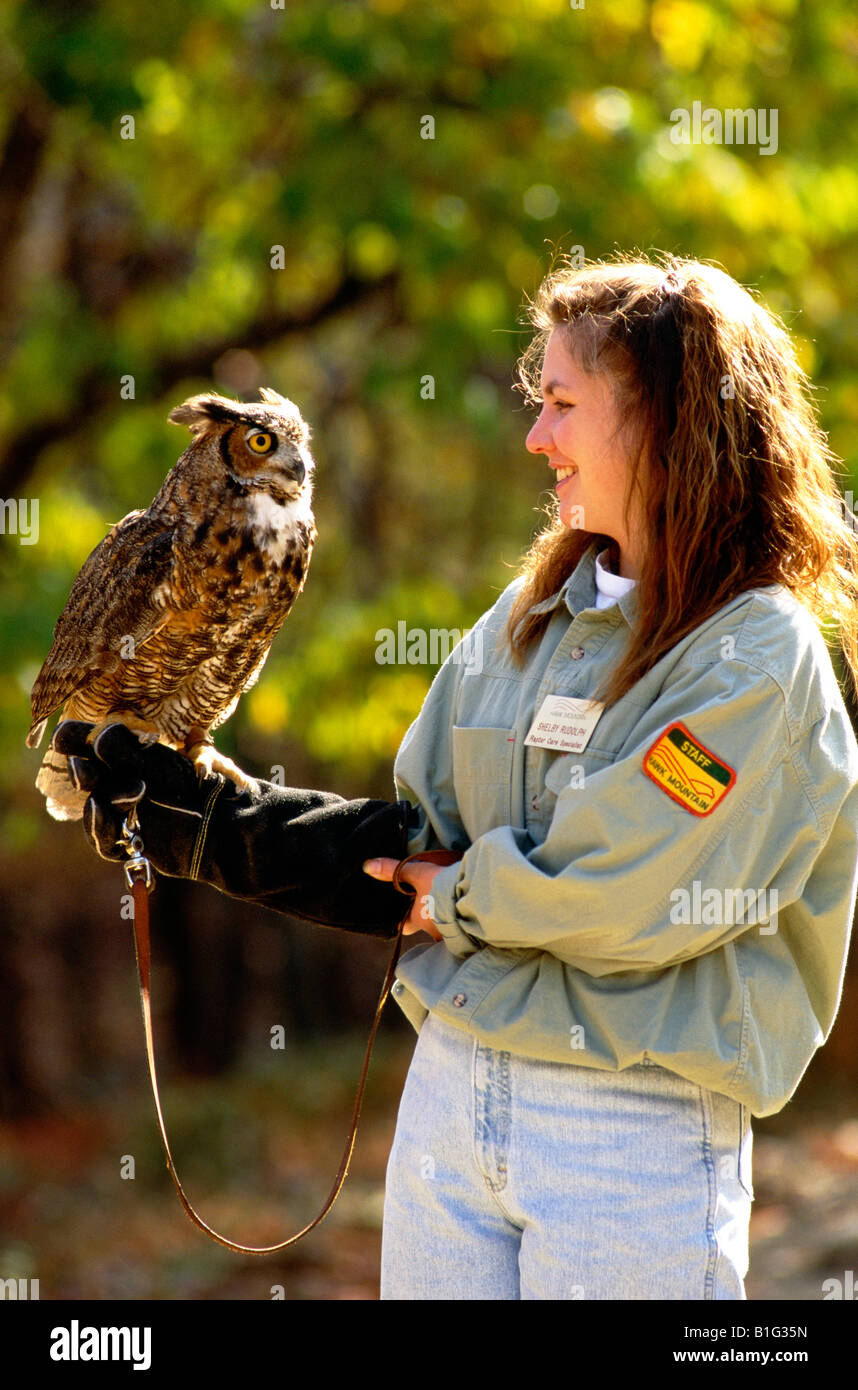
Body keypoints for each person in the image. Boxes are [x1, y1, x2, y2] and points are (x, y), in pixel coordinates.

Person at [56, 254, 858, 1301]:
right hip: (452, 1092)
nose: (537, 437)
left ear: (662, 419)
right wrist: (210, 821)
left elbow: (616, 888)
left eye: (563, 404)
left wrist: (448, 893)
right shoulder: (530, 619)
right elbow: (420, 836)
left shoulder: (753, 658)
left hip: (628, 1122)